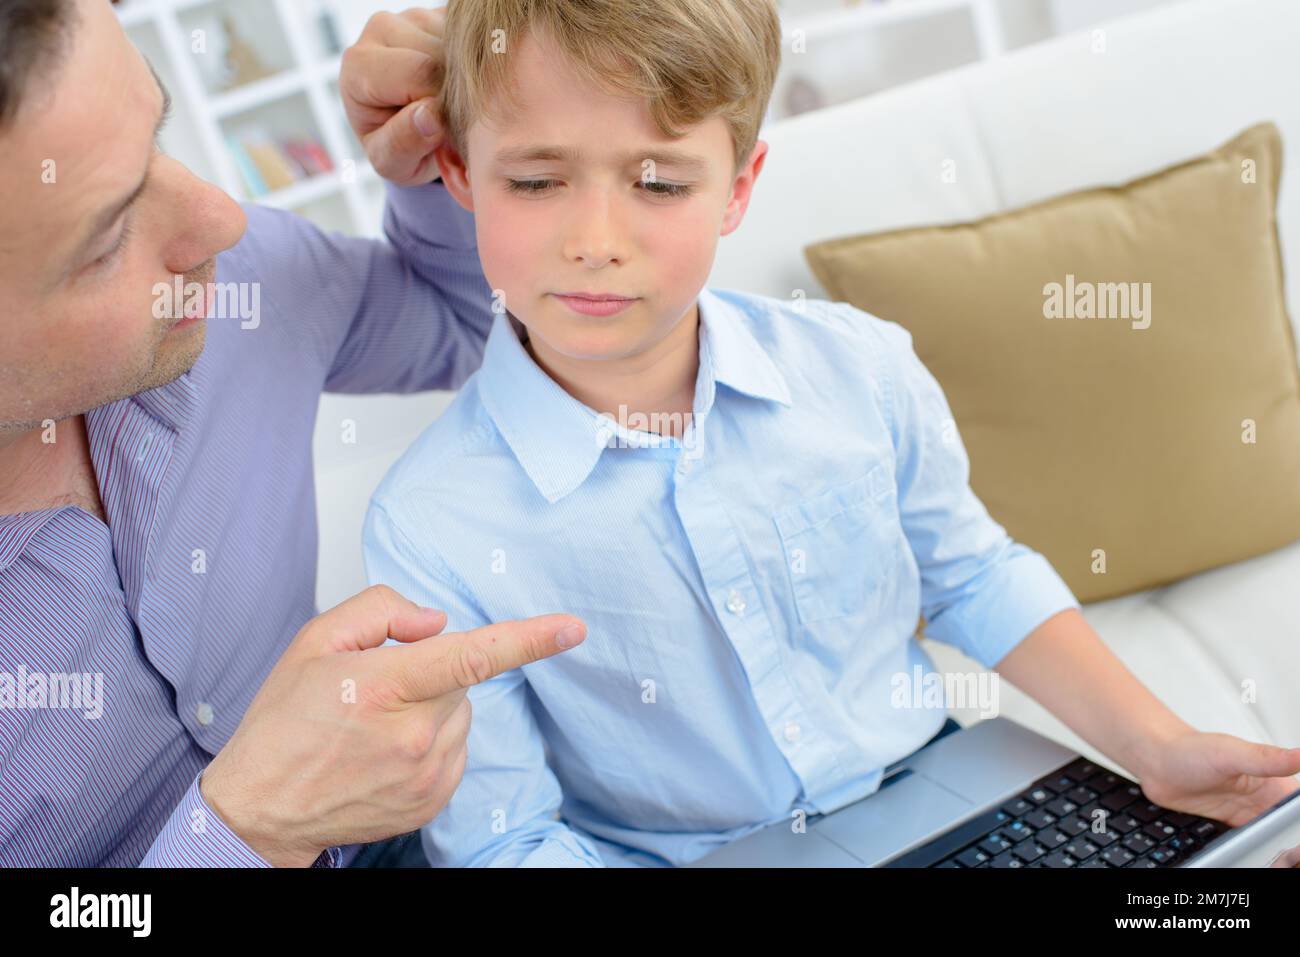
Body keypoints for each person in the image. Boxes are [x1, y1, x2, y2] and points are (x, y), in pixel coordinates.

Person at [362, 0, 1300, 867]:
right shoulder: (432, 523)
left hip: (947, 797)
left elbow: (973, 574)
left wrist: (1159, 746)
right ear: (458, 174)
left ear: (737, 187)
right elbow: (506, 841)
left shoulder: (859, 367)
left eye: (659, 182)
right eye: (535, 179)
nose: (594, 239)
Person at [0, 0, 586, 867]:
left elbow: (459, 321)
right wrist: (244, 832)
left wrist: (426, 164)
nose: (223, 222)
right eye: (109, 236)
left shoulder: (236, 284)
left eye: (157, 138)